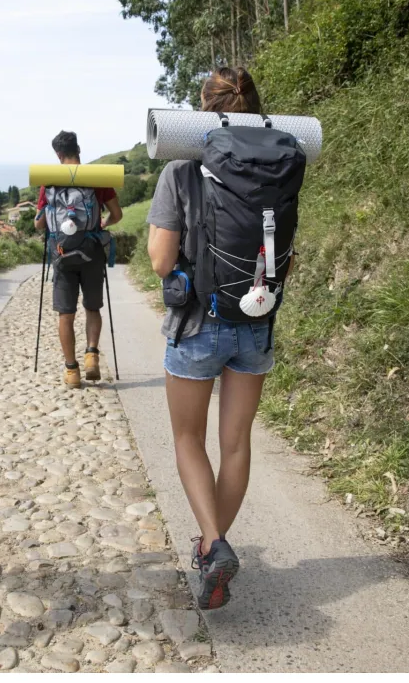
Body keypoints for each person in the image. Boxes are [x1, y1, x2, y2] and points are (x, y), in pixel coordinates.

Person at [145, 67, 292, 610]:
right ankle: (212, 547)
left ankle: (215, 543)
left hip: (196, 326)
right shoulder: (279, 167)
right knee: (236, 444)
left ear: (201, 110)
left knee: (188, 440)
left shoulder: (182, 170)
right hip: (256, 322)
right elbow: (285, 256)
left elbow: (161, 260)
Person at [34, 130, 122, 387]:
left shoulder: (49, 181)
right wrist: (101, 225)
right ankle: (92, 355)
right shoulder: (97, 178)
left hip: (61, 254)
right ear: (78, 150)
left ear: (58, 154)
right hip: (91, 251)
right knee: (92, 308)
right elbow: (117, 214)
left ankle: (71, 371)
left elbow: (40, 225)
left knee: (65, 314)